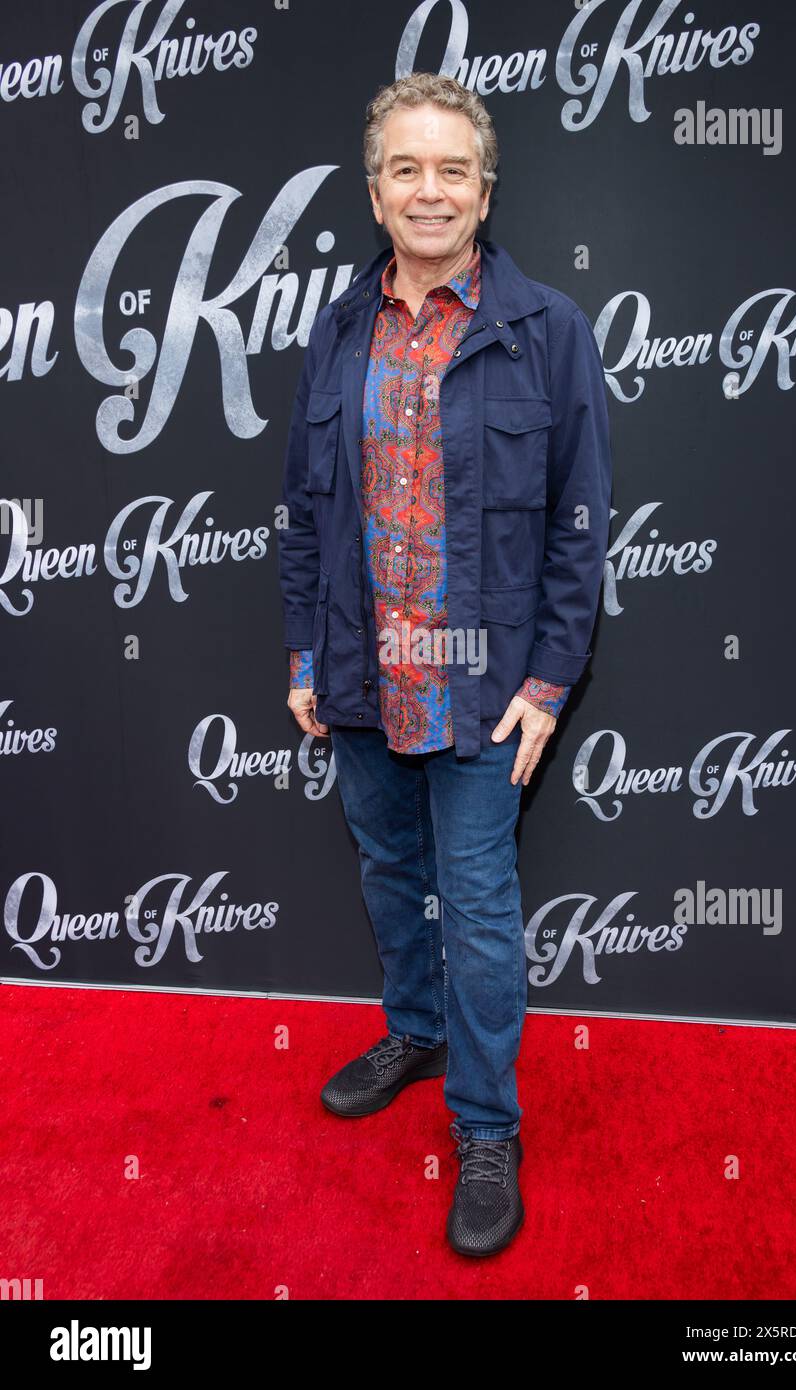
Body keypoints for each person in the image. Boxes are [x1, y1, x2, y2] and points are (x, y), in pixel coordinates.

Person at [278, 72, 612, 1257]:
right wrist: (308, 651)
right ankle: (412, 1030)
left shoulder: (547, 329)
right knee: (384, 866)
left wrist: (545, 685)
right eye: (407, 169)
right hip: (365, 669)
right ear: (376, 190)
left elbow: (582, 523)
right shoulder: (335, 328)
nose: (430, 190)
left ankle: (486, 1126)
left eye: (452, 169)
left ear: (485, 188)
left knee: (478, 908)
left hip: (481, 685)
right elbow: (303, 513)